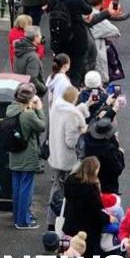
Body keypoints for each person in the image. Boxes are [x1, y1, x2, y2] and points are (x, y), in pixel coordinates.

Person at [62, 157, 109, 258]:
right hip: (88, 228)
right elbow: (95, 212)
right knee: (87, 254)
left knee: (71, 250)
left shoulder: (71, 181)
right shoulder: (90, 189)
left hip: (71, 223)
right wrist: (109, 218)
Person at [7, 83, 47, 230]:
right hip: (27, 154)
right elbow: (41, 126)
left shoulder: (10, 108)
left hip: (14, 153)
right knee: (25, 187)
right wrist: (39, 109)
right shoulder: (28, 114)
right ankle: (23, 221)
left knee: (17, 186)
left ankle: (17, 216)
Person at [47, 85, 84, 230]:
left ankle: (50, 223)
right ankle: (66, 223)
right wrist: (81, 132)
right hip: (68, 160)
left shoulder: (57, 108)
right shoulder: (72, 114)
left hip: (56, 155)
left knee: (55, 189)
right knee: (70, 193)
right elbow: (71, 142)